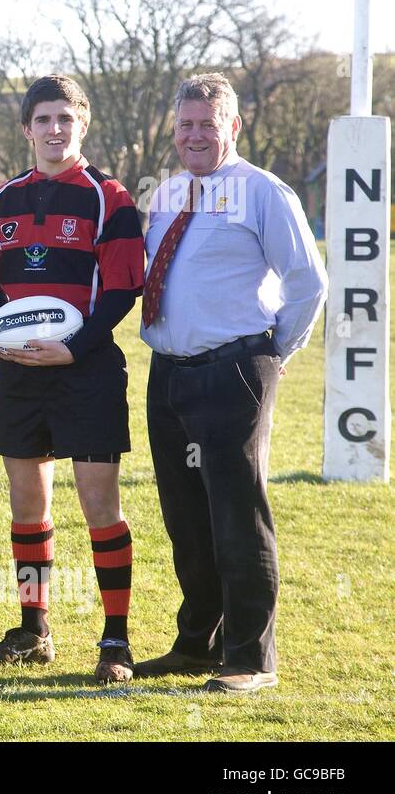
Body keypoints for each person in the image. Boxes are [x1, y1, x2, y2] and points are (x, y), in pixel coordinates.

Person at [134, 73, 326, 693]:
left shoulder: (264, 192)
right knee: (185, 518)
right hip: (168, 374)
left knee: (237, 516)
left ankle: (250, 657)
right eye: (185, 124)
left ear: (232, 126)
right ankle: (197, 644)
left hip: (234, 371)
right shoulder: (165, 195)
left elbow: (308, 282)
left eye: (207, 125)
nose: (194, 135)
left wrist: (276, 350)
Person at [0, 75, 146, 683]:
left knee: (99, 503)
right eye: (43, 120)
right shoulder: (0, 201)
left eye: (65, 119)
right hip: (21, 372)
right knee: (27, 504)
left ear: (82, 125)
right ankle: (32, 627)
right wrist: (1, 328)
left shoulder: (111, 198)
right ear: (27, 128)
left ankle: (116, 640)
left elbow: (123, 288)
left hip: (88, 370)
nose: (54, 130)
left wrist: (73, 350)